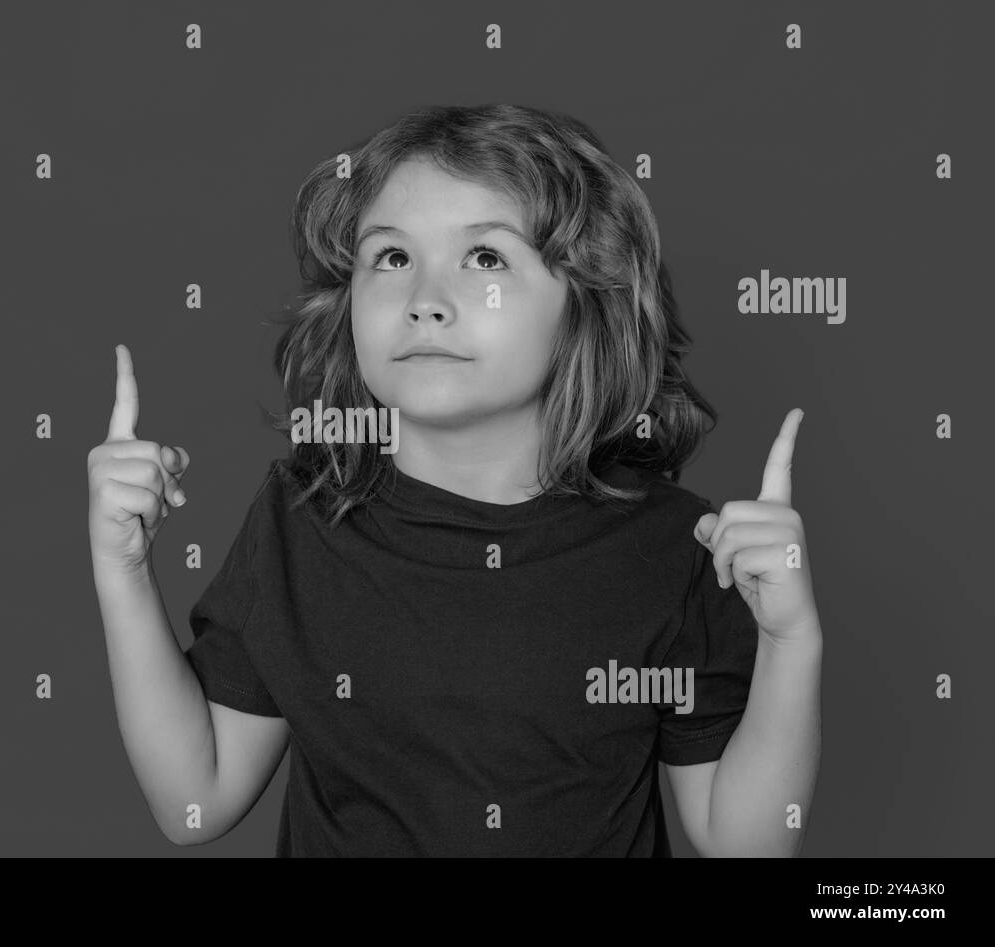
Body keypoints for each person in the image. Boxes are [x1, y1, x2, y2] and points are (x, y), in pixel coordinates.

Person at [88, 104, 822, 857]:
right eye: (393, 258)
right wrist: (125, 570)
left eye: (486, 259)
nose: (425, 302)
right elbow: (192, 804)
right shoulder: (299, 519)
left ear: (586, 301)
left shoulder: (674, 549)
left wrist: (788, 641)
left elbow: (748, 847)